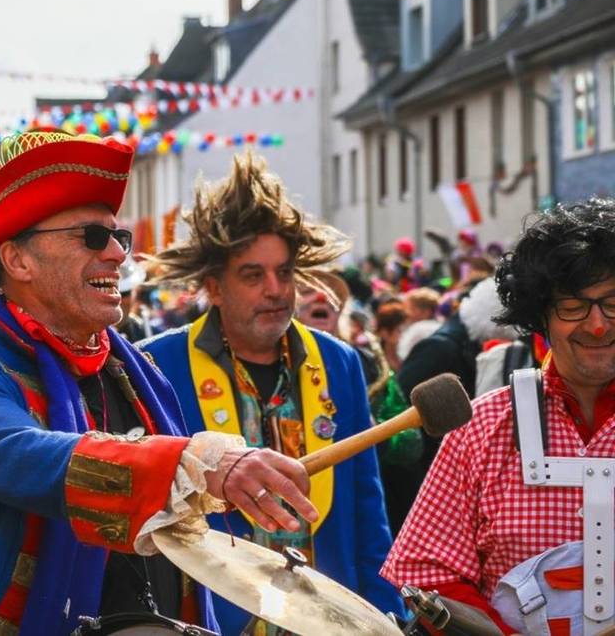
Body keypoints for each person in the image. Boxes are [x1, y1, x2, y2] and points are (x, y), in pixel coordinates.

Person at [0, 131, 316, 635]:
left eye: (117, 238)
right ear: (18, 261)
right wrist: (196, 462)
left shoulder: (136, 371)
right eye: (92, 237)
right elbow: (31, 457)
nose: (118, 255)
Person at [142, 154, 403, 634]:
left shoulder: (340, 362)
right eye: (253, 275)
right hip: (209, 619)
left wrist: (387, 615)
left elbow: (368, 511)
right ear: (214, 288)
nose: (276, 290)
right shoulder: (157, 365)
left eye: (284, 273)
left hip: (327, 619)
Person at [382, 199, 615, 634]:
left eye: (613, 302)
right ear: (541, 315)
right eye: (574, 306)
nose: (598, 325)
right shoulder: (482, 427)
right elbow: (428, 573)